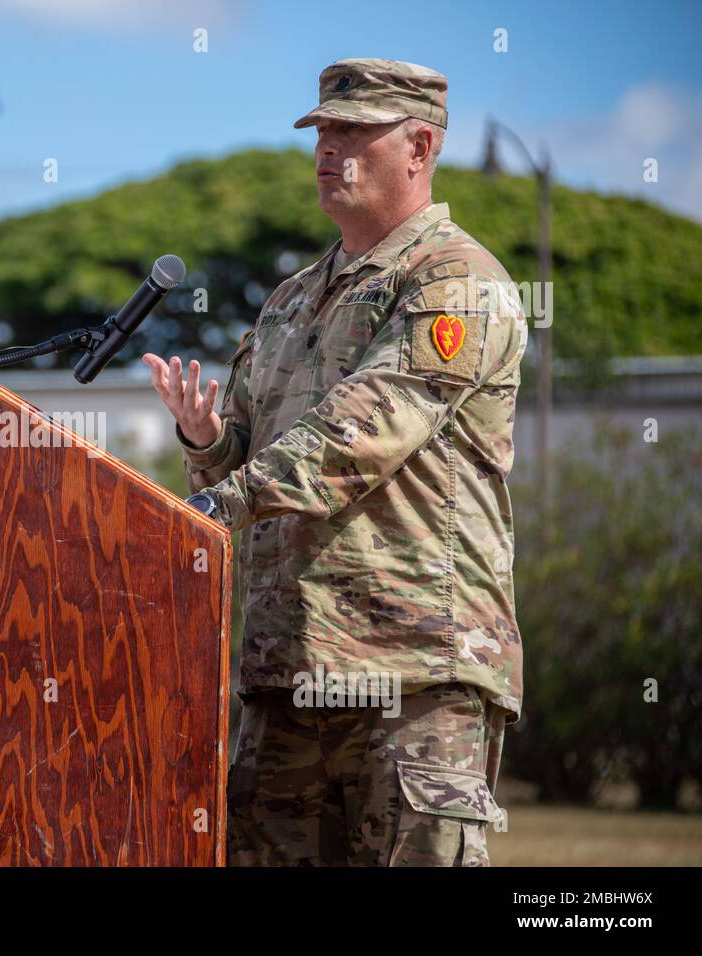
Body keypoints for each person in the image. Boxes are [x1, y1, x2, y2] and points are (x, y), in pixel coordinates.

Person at [143, 58, 528, 866]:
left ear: (420, 146)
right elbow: (237, 470)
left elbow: (364, 433)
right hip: (287, 677)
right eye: (322, 131)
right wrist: (208, 446)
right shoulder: (289, 301)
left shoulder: (457, 282)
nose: (329, 149)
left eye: (355, 131)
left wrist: (223, 499)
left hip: (414, 677)